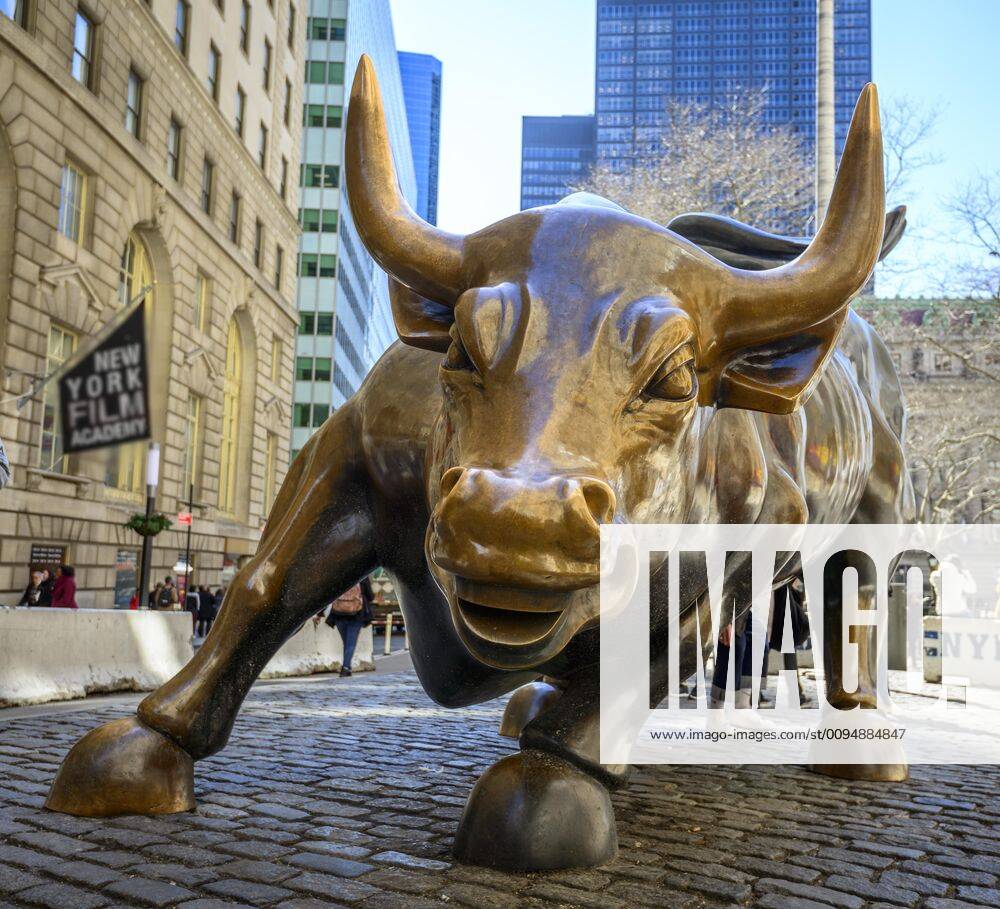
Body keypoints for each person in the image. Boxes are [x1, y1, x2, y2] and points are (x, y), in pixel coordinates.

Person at [324, 577, 374, 677]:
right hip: (356, 615)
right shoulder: (363, 576)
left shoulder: (339, 575)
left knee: (346, 643)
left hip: (339, 614)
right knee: (350, 644)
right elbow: (370, 596)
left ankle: (347, 667)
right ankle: (345, 668)